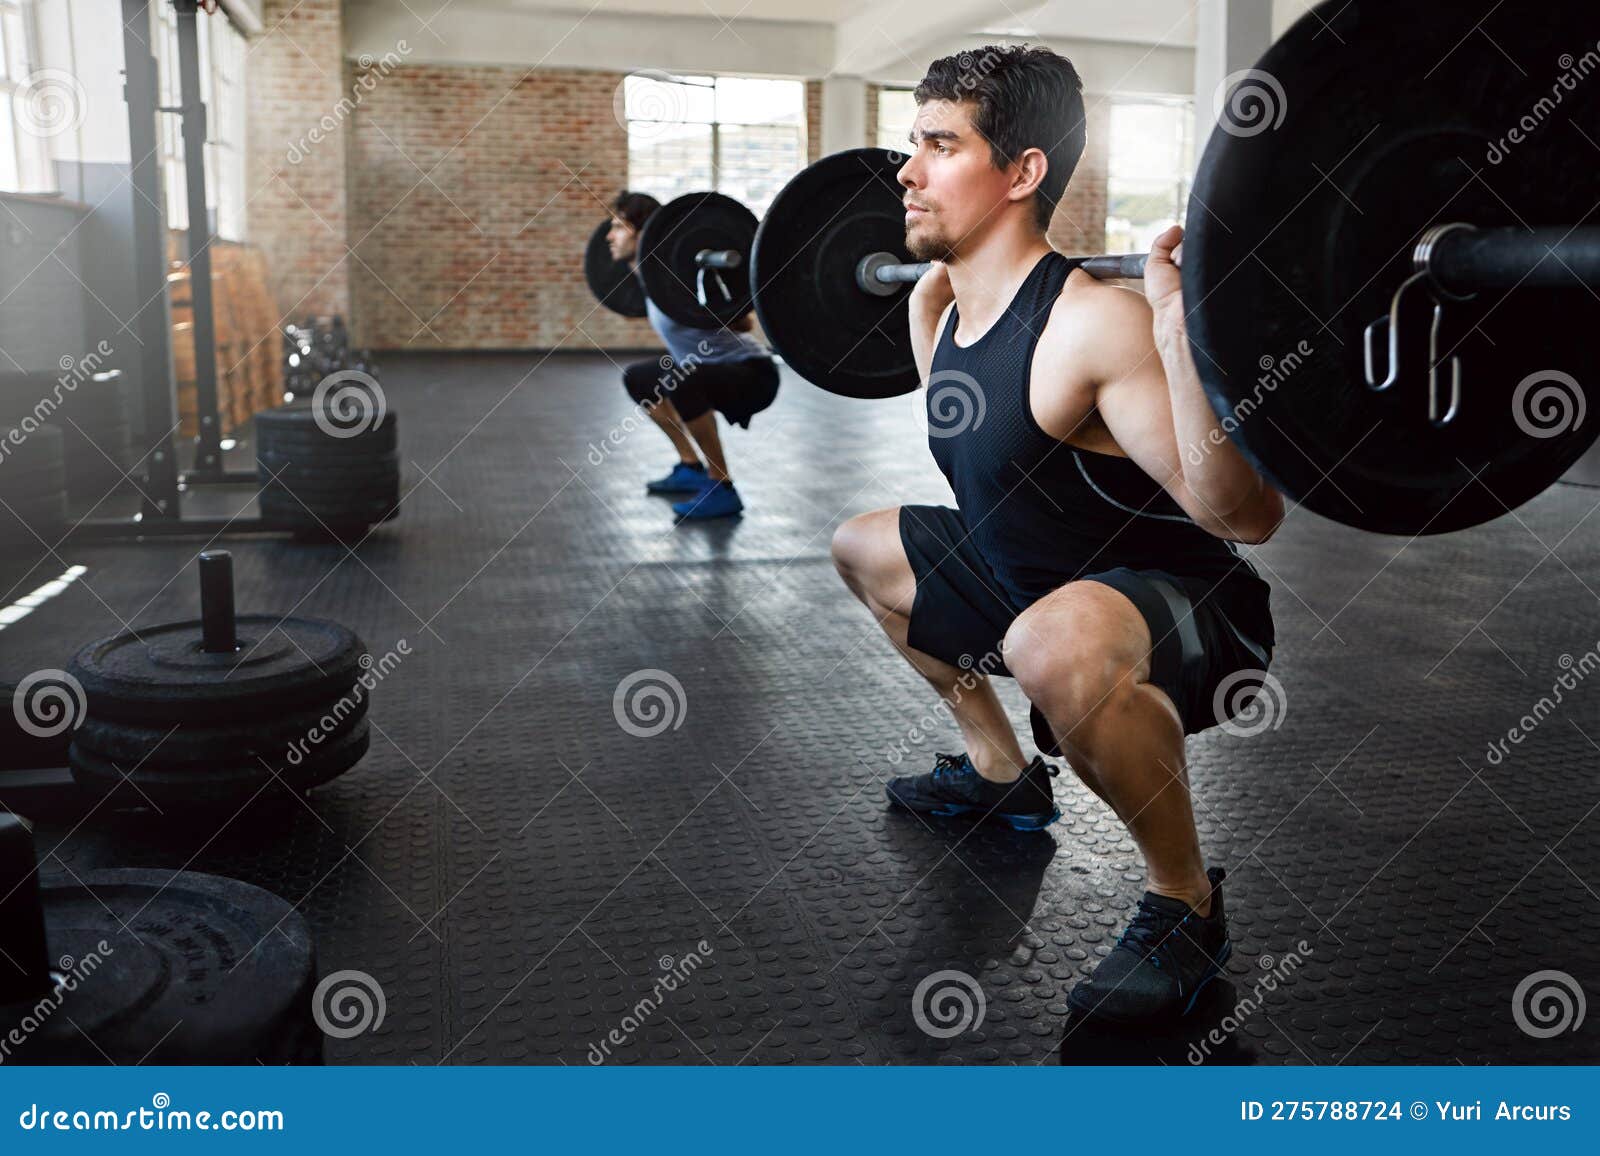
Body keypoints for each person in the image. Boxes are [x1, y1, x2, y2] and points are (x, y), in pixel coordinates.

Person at [828, 45, 1284, 1024]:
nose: (905, 170)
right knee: (865, 544)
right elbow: (983, 468)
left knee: (1051, 640)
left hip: (1191, 610)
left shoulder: (1092, 325)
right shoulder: (938, 304)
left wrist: (1170, 329)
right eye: (914, 143)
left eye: (939, 145)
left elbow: (1247, 516)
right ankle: (1001, 775)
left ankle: (1183, 900)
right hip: (1033, 582)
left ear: (1022, 173)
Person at [605, 191, 779, 520]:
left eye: (618, 227)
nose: (609, 236)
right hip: (707, 372)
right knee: (640, 378)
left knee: (682, 378)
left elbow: (743, 321)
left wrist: (710, 297)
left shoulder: (677, 276)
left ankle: (722, 488)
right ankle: (690, 466)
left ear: (643, 233)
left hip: (752, 374)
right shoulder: (651, 279)